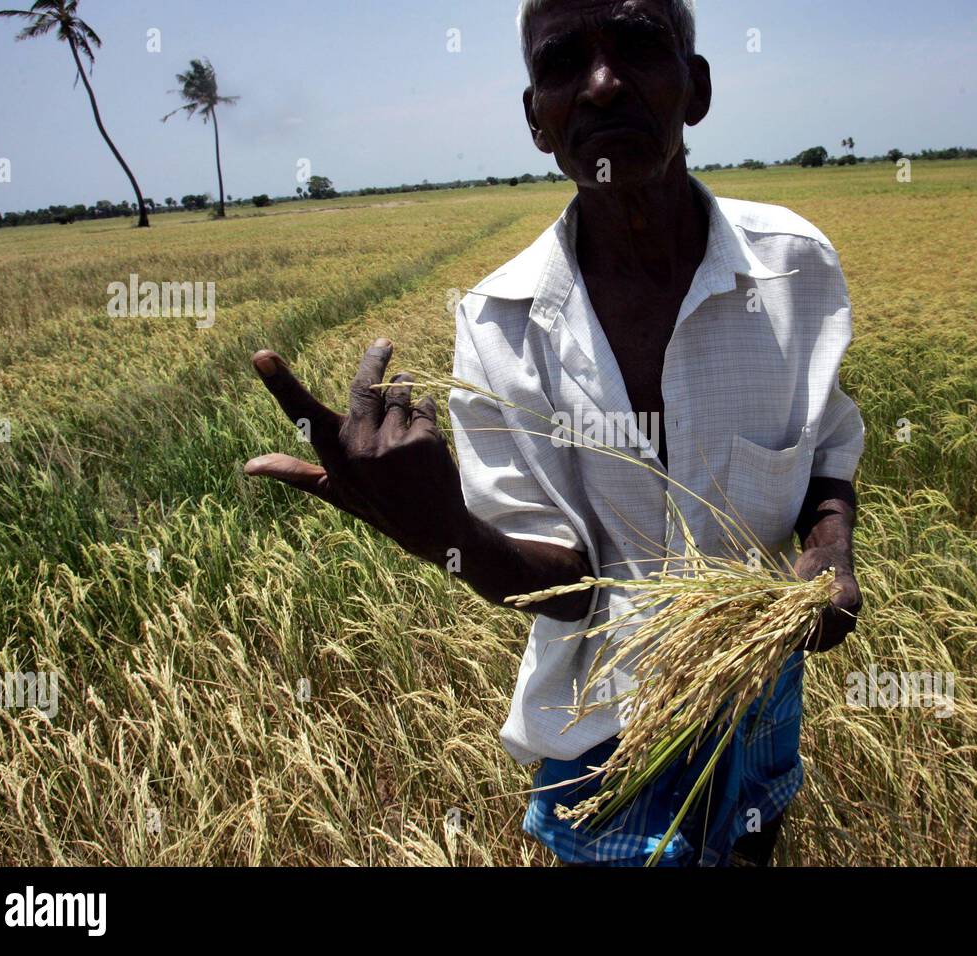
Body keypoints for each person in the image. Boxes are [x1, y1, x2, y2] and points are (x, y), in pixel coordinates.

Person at [244, 0, 865, 867]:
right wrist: (443, 533)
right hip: (598, 733)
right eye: (564, 62)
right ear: (537, 118)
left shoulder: (794, 265)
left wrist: (830, 545)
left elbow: (827, 444)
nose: (603, 84)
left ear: (698, 88)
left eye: (642, 46)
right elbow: (569, 588)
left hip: (762, 690)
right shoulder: (498, 326)